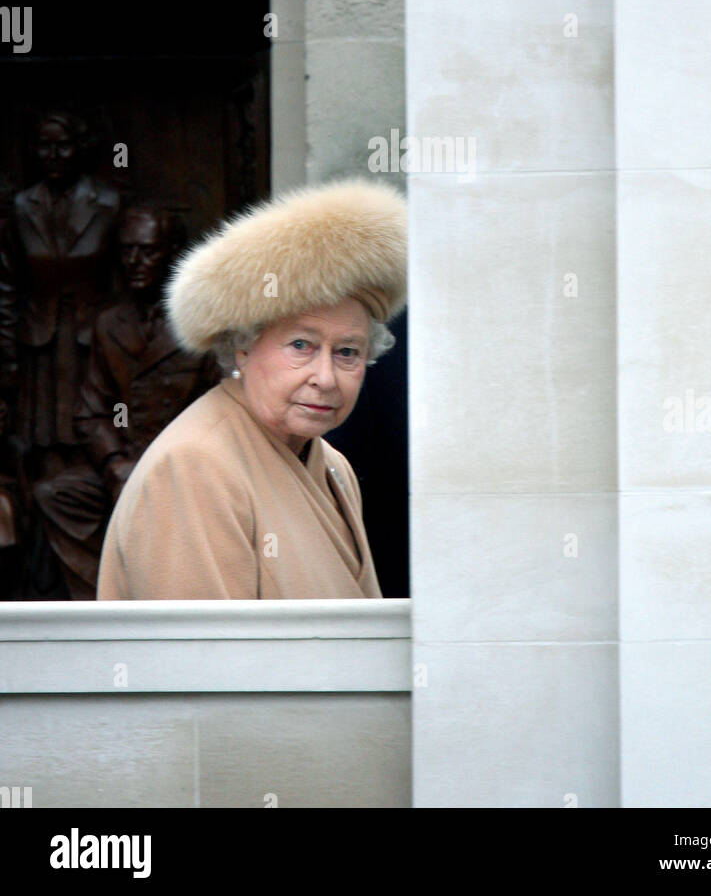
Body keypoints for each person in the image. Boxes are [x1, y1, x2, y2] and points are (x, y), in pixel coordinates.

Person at [96, 177, 407, 600]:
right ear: (242, 346)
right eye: (301, 345)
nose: (326, 377)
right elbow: (204, 659)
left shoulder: (333, 465)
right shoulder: (193, 468)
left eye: (348, 352)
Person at [31, 203, 219, 598]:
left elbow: (223, 409)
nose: (134, 261)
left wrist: (168, 461)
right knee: (56, 492)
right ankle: (101, 599)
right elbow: (91, 411)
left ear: (173, 254)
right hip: (125, 461)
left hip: (184, 465)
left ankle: (150, 597)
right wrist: (114, 460)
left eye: (147, 251)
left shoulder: (203, 324)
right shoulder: (108, 322)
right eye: (127, 250)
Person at [0, 109, 120, 597]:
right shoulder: (20, 207)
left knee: (81, 440)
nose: (52, 156)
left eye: (63, 145)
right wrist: (8, 352)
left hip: (90, 342)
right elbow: (7, 282)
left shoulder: (108, 204)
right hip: (38, 347)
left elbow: (119, 282)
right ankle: (39, 575)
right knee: (40, 447)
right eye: (43, 146)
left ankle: (89, 569)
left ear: (81, 148)